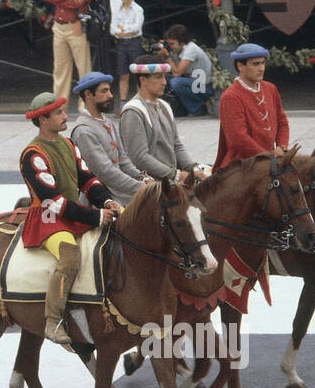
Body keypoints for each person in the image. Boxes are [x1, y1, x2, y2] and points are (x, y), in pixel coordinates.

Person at [19, 90, 119, 348]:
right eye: (59, 113)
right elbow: (54, 202)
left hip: (72, 213)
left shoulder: (68, 144)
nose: (66, 116)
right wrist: (97, 216)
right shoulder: (32, 155)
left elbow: (88, 179)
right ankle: (52, 322)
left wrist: (106, 201)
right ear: (43, 119)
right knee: (70, 258)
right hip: (48, 219)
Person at [119, 56, 208, 185]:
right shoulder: (133, 111)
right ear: (143, 80)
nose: (164, 82)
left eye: (164, 77)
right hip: (149, 187)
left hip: (169, 181)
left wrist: (193, 168)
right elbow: (139, 157)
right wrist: (176, 174)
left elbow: (176, 145)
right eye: (158, 77)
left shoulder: (164, 106)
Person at [69, 71, 146, 208]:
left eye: (109, 90)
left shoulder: (108, 122)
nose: (110, 95)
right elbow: (106, 172)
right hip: (102, 200)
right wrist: (142, 188)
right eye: (104, 91)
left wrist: (143, 178)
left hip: (122, 191)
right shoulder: (83, 130)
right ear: (88, 95)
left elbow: (124, 161)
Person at [213, 43, 290, 172]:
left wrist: (282, 147)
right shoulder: (231, 96)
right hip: (240, 166)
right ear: (240, 66)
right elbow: (238, 139)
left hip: (269, 161)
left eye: (263, 63)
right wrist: (270, 156)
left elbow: (282, 121)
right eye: (255, 64)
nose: (261, 68)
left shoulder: (270, 89)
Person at [43, 0, 93, 107]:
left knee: (83, 68)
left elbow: (81, 0)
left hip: (75, 26)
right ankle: (59, 105)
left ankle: (85, 105)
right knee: (60, 69)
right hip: (59, 26)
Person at [159, 24, 215, 117]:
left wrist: (168, 57)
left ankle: (198, 108)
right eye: (168, 44)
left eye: (172, 44)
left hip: (204, 88)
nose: (170, 46)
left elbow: (177, 73)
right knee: (162, 78)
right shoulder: (176, 50)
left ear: (182, 43)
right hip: (190, 83)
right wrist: (162, 54)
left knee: (176, 82)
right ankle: (180, 108)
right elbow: (163, 69)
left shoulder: (191, 49)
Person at [108, 0, 143, 101]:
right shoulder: (117, 9)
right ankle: (123, 102)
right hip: (121, 44)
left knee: (138, 74)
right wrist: (123, 32)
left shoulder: (138, 10)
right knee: (123, 74)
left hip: (134, 43)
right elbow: (113, 29)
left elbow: (136, 28)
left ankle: (140, 101)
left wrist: (123, 29)